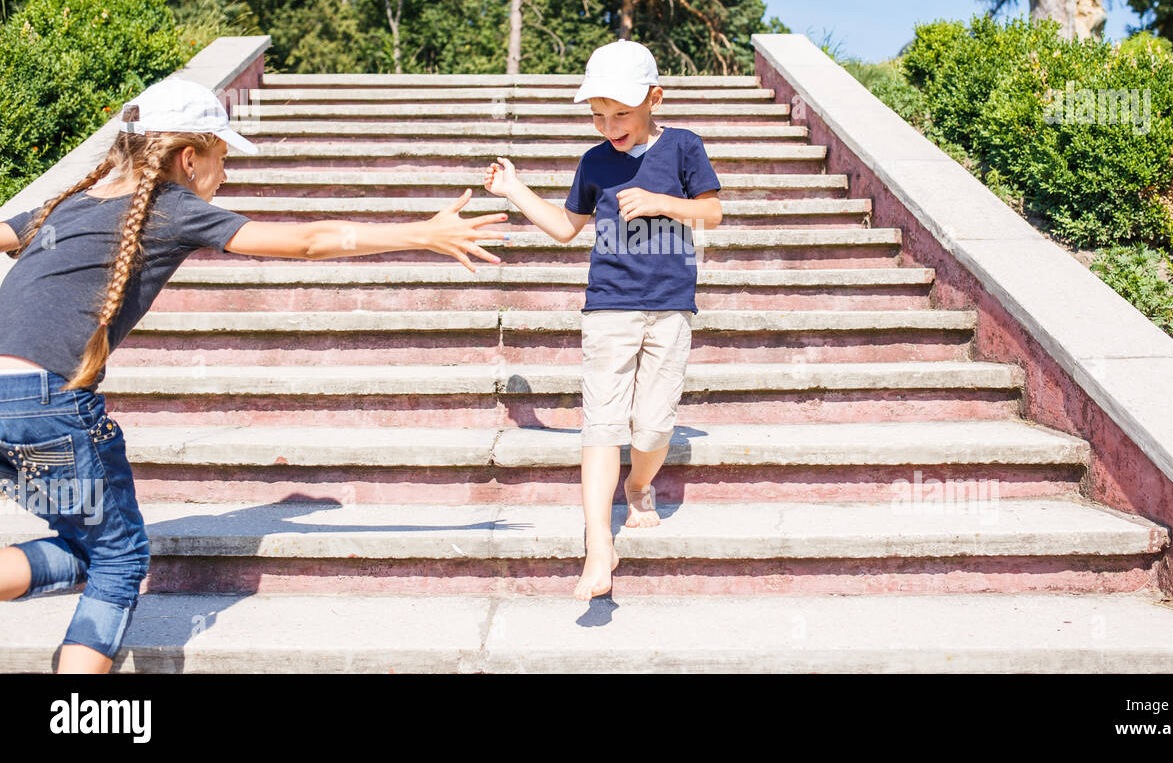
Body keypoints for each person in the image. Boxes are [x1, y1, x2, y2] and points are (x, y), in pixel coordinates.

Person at [0, 77, 507, 672]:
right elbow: (308, 241)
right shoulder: (171, 206)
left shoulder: (69, 203)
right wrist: (420, 233)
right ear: (189, 159)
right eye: (222, 159)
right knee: (119, 562)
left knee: (93, 551)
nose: (225, 177)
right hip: (49, 404)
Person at [483, 39, 723, 601]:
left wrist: (665, 203)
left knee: (654, 427)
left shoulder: (684, 147)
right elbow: (567, 228)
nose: (608, 124)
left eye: (620, 113)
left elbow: (711, 210)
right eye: (597, 114)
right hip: (608, 305)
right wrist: (516, 189)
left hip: (669, 307)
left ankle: (639, 485)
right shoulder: (594, 162)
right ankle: (597, 542)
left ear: (654, 98)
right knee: (602, 426)